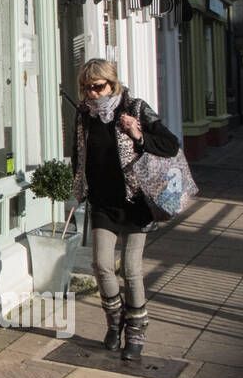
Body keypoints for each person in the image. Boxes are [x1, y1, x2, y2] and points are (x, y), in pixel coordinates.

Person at [71, 59, 181, 361]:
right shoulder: (84, 115)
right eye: (87, 88)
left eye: (98, 87)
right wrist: (79, 187)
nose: (93, 94)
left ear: (113, 83)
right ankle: (115, 321)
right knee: (102, 265)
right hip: (103, 201)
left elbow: (171, 144)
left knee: (131, 271)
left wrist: (138, 135)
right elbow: (77, 154)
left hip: (135, 201)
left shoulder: (135, 108)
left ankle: (136, 329)